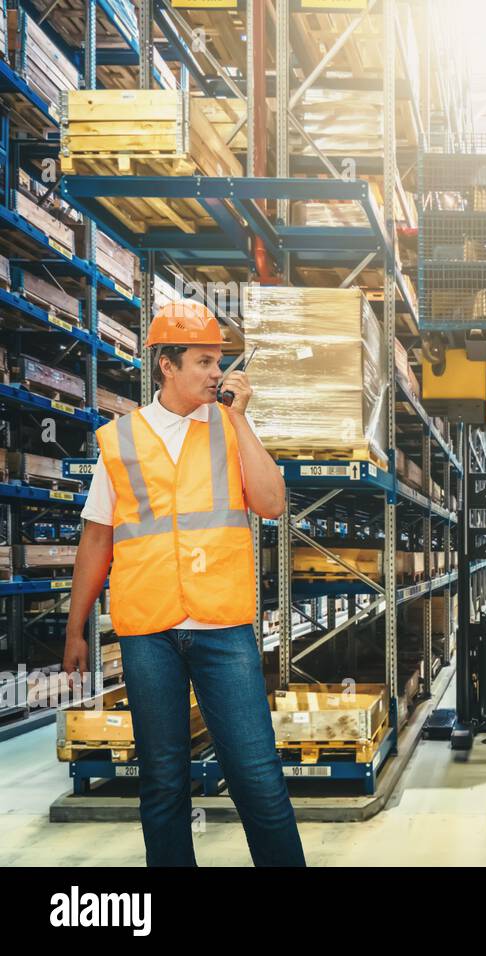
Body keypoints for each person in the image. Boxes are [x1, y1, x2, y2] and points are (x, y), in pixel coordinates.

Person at [62, 302, 306, 867]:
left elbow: (272, 503)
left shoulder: (228, 427)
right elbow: (96, 542)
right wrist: (77, 630)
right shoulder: (119, 441)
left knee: (257, 775)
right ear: (166, 364)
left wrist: (241, 419)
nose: (216, 373)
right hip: (149, 631)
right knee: (163, 782)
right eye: (202, 361)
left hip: (222, 627)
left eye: (218, 361)